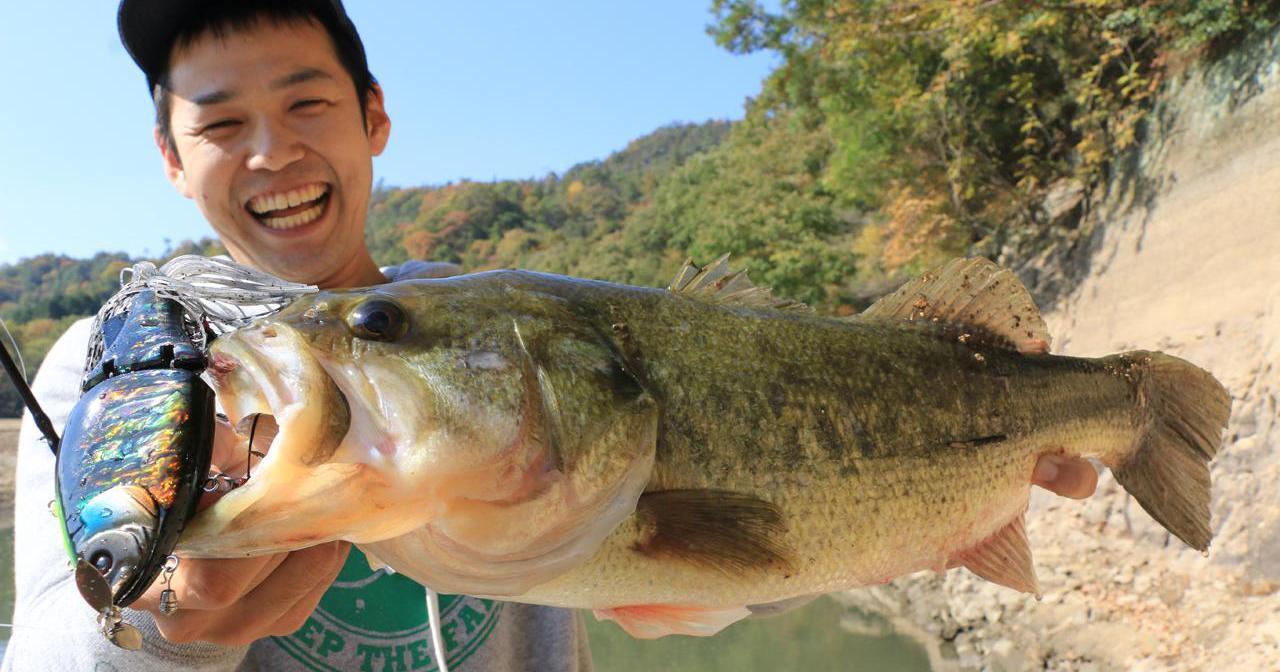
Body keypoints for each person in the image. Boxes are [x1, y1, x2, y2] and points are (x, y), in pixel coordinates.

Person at [1, 0, 1099, 669]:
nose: (271, 154)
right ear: (168, 159)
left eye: (306, 104)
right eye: (220, 123)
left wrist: (929, 501)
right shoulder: (119, 373)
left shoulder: (521, 316)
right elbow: (46, 650)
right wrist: (159, 626)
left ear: (373, 116)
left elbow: (725, 575)